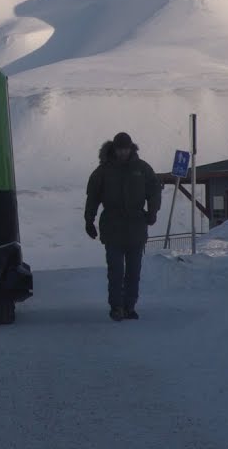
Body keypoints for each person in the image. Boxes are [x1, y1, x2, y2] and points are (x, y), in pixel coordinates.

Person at [84, 131, 161, 321]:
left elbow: (154, 191)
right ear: (114, 149)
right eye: (119, 149)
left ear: (131, 148)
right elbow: (92, 197)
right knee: (116, 271)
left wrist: (152, 212)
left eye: (125, 149)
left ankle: (129, 306)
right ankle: (116, 307)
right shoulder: (102, 171)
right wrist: (89, 220)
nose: (122, 153)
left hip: (136, 227)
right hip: (112, 228)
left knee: (133, 272)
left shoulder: (143, 169)